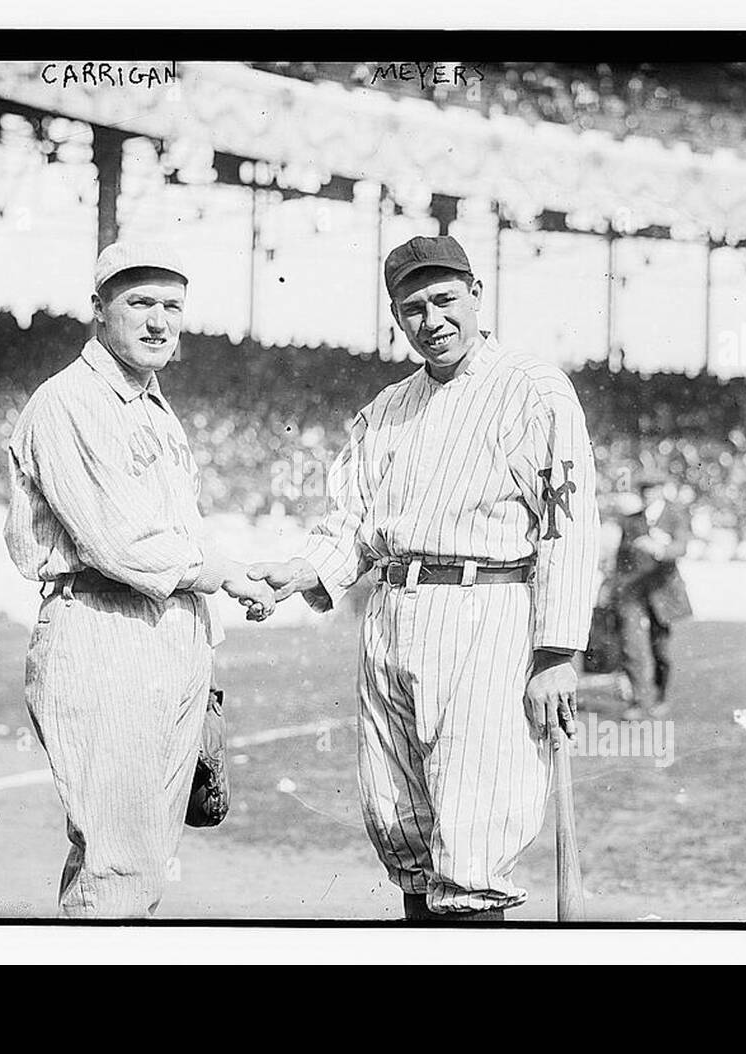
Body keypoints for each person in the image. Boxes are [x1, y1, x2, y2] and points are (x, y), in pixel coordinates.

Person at [250, 235, 600, 921]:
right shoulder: (384, 410)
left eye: (444, 299)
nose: (431, 319)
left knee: (470, 840)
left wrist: (557, 656)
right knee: (401, 827)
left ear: (476, 293)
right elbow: (349, 526)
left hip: (486, 610)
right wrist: (297, 574)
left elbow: (569, 526)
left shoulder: (532, 388)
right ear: (395, 317)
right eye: (413, 308)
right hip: (391, 615)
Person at [3, 241, 275, 918]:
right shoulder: (71, 400)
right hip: (103, 628)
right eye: (140, 302)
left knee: (144, 855)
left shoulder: (152, 405)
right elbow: (118, 541)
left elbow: (174, 531)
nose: (159, 321)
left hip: (164, 632)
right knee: (119, 861)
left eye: (172, 306)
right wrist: (227, 576)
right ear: (99, 311)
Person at [609, 469, 693, 720]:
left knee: (661, 651)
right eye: (644, 491)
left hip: (662, 592)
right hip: (634, 593)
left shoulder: (675, 514)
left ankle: (660, 695)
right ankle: (637, 701)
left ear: (661, 491)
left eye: (653, 490)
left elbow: (682, 546)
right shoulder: (632, 520)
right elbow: (621, 558)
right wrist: (613, 585)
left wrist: (660, 549)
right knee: (631, 646)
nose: (648, 495)